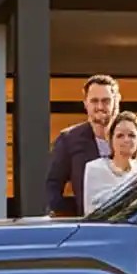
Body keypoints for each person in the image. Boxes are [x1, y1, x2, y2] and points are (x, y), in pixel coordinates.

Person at [44, 74, 120, 216]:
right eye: (94, 101)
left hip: (129, 223)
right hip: (88, 224)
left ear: (116, 101)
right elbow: (52, 185)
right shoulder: (69, 139)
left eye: (106, 101)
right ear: (85, 103)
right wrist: (68, 217)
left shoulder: (130, 136)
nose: (100, 106)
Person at [81, 111, 137, 214]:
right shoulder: (95, 168)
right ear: (111, 140)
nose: (126, 140)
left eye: (131, 135)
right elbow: (92, 209)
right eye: (120, 136)